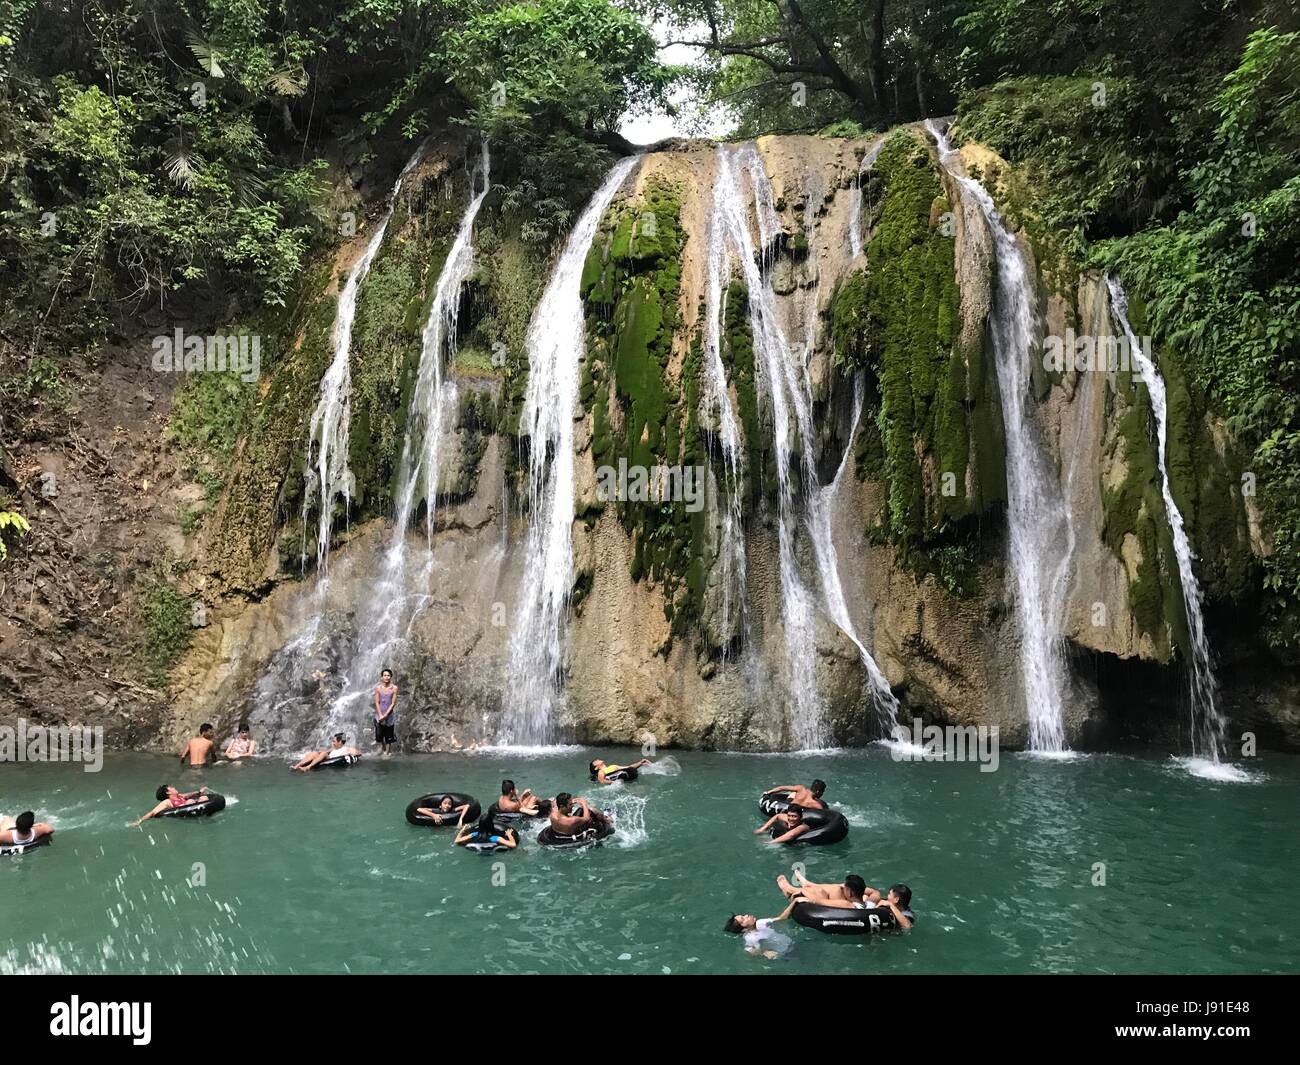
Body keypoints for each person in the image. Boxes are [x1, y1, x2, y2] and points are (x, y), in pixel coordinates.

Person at [724, 902, 797, 959]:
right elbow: (748, 949)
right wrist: (764, 952)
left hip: (792, 942)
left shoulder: (760, 922)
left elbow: (781, 918)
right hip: (784, 953)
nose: (746, 915)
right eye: (743, 919)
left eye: (743, 915)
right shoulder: (751, 937)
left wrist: (794, 902)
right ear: (744, 929)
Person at [776, 872, 869, 908]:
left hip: (828, 911)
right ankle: (807, 884)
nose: (843, 889)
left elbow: (819, 901)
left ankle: (791, 889)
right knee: (835, 889)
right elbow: (874, 893)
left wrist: (803, 890)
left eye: (845, 888)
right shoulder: (869, 903)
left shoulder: (846, 904)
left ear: (850, 892)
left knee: (821, 892)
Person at [131, 786, 211, 826]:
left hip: (195, 810)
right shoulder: (167, 802)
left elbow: (188, 794)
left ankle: (209, 812)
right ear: (168, 792)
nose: (174, 787)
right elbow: (153, 812)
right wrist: (140, 821)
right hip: (186, 815)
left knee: (204, 797)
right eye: (171, 787)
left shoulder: (180, 796)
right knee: (190, 801)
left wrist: (199, 792)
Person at [292, 733, 362, 771]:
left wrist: (351, 756)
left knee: (323, 753)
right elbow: (322, 752)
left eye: (334, 741)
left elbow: (359, 753)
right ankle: (297, 765)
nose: (332, 743)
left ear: (340, 742)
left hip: (332, 761)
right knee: (315, 753)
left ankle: (308, 767)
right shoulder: (333, 749)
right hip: (327, 759)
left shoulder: (348, 749)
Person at [373, 668, 398, 755]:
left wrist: (386, 715)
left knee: (389, 735)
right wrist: (380, 715)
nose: (386, 677)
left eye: (388, 675)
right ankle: (384, 749)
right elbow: (376, 702)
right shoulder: (378, 688)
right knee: (379, 736)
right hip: (379, 715)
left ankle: (388, 752)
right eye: (384, 675)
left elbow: (393, 703)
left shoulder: (394, 688)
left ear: (391, 677)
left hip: (389, 715)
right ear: (382, 677)